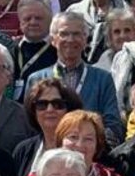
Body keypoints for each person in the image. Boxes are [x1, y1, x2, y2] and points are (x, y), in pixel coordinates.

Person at [23, 12, 123, 145]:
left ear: (85, 39)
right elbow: (30, 125)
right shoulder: (36, 79)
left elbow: (113, 124)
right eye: (64, 34)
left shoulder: (103, 79)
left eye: (76, 34)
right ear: (53, 40)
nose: (70, 39)